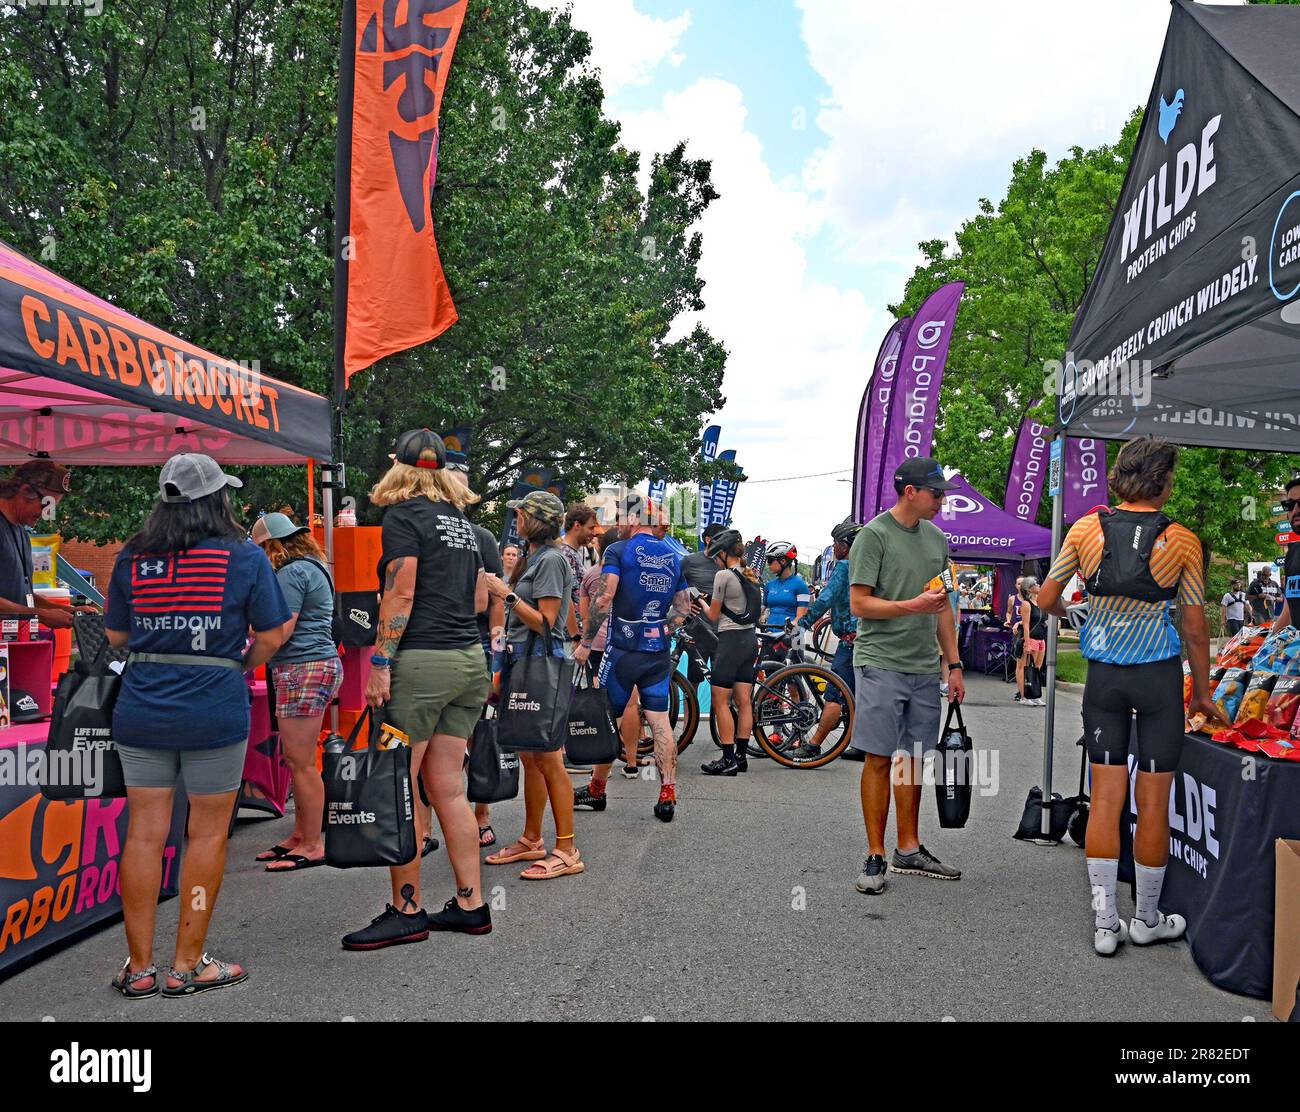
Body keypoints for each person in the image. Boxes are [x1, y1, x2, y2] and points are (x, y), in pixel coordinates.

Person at [105, 453, 288, 997]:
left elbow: (116, 638)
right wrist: (236, 664)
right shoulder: (246, 556)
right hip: (214, 708)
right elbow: (274, 635)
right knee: (205, 834)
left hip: (141, 708)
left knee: (143, 832)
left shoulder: (133, 556)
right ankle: (187, 964)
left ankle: (138, 968)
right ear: (218, 499)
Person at [1038, 436, 1213, 957]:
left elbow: (1048, 598)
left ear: (1120, 477)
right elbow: (1197, 628)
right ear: (1161, 482)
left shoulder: (1085, 528)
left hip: (1104, 678)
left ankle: (1104, 923)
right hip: (1158, 679)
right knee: (1152, 802)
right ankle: (1147, 918)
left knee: (1106, 801)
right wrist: (1201, 693)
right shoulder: (1183, 540)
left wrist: (1081, 611)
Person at [344, 430, 492, 950]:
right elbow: (478, 597)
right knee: (448, 787)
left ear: (398, 468)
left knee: (397, 784)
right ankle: (471, 905)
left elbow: (401, 590)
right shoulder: (464, 525)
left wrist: (380, 661)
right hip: (467, 664)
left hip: (422, 667)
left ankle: (408, 910)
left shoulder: (403, 517)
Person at [848, 457, 965, 897]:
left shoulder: (937, 539)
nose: (942, 501)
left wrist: (953, 664)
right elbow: (860, 605)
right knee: (880, 756)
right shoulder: (874, 536)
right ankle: (876, 853)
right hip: (880, 660)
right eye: (937, 493)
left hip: (922, 666)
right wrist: (910, 606)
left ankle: (908, 847)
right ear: (910, 491)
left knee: (914, 757)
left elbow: (943, 607)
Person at [481, 489, 585, 879]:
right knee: (531, 754)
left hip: (541, 663)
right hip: (524, 662)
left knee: (548, 756)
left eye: (520, 513)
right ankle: (531, 839)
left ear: (534, 519)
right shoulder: (537, 557)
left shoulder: (553, 559)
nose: (516, 519)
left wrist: (504, 593)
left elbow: (546, 621)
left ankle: (567, 848)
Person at [575, 493, 691, 821]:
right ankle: (667, 792)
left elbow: (604, 596)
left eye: (621, 517)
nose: (616, 524)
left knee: (607, 718)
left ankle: (597, 788)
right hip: (657, 653)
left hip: (622, 652)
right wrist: (661, 628)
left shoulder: (618, 550)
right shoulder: (671, 556)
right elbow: (683, 608)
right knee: (659, 721)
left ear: (633, 519)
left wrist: (585, 641)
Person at [250, 513, 344, 872]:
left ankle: (312, 843)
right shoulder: (314, 566)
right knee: (297, 760)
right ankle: (300, 835)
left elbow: (281, 630)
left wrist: (248, 650)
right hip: (313, 665)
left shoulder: (290, 573)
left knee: (302, 763)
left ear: (271, 546)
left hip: (302, 667)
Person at [446, 457, 505, 850]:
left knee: (478, 733)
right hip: (433, 645)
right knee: (440, 738)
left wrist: (497, 656)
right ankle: (432, 825)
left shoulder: (482, 537)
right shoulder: (420, 529)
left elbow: (497, 599)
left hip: (477, 644)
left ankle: (480, 814)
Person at [795, 520, 861, 761]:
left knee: (835, 693)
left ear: (846, 545)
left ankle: (814, 744)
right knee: (858, 695)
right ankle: (861, 744)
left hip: (850, 642)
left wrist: (802, 622)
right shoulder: (868, 565)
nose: (833, 547)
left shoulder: (844, 567)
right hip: (867, 639)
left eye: (836, 542)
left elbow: (826, 598)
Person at [699, 529, 762, 776]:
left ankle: (727, 759)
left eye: (716, 556)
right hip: (750, 640)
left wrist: (701, 601)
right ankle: (741, 757)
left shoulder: (723, 575)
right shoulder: (750, 573)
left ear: (724, 554)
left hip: (730, 641)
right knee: (743, 701)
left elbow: (713, 615)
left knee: (720, 700)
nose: (715, 560)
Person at [0, 461, 79, 629]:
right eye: (46, 505)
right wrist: (40, 615)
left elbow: (22, 596)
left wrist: (69, 611)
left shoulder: (21, 531)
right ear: (26, 490)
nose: (46, 514)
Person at [560, 504, 599, 655]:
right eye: (590, 528)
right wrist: (575, 635)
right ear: (577, 525)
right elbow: (567, 598)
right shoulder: (565, 554)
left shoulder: (571, 552)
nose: (593, 533)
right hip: (568, 640)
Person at [1271, 477, 1300, 633]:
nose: (1295, 510)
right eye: (1289, 505)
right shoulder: (1292, 553)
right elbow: (1288, 612)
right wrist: (1267, 649)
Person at [762, 541, 810, 633]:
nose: (768, 564)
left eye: (770, 561)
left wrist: (793, 625)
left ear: (783, 561)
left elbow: (801, 615)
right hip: (770, 632)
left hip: (792, 635)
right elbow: (762, 607)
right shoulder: (769, 585)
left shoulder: (800, 585)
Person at [1016, 577, 1047, 707]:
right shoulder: (1026, 604)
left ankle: (1034, 694)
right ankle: (1024, 695)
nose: (1039, 586)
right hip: (1031, 638)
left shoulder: (1040, 603)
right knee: (1025, 666)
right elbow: (1026, 625)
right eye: (1035, 584)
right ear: (1029, 589)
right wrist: (1027, 643)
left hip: (1041, 638)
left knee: (1037, 668)